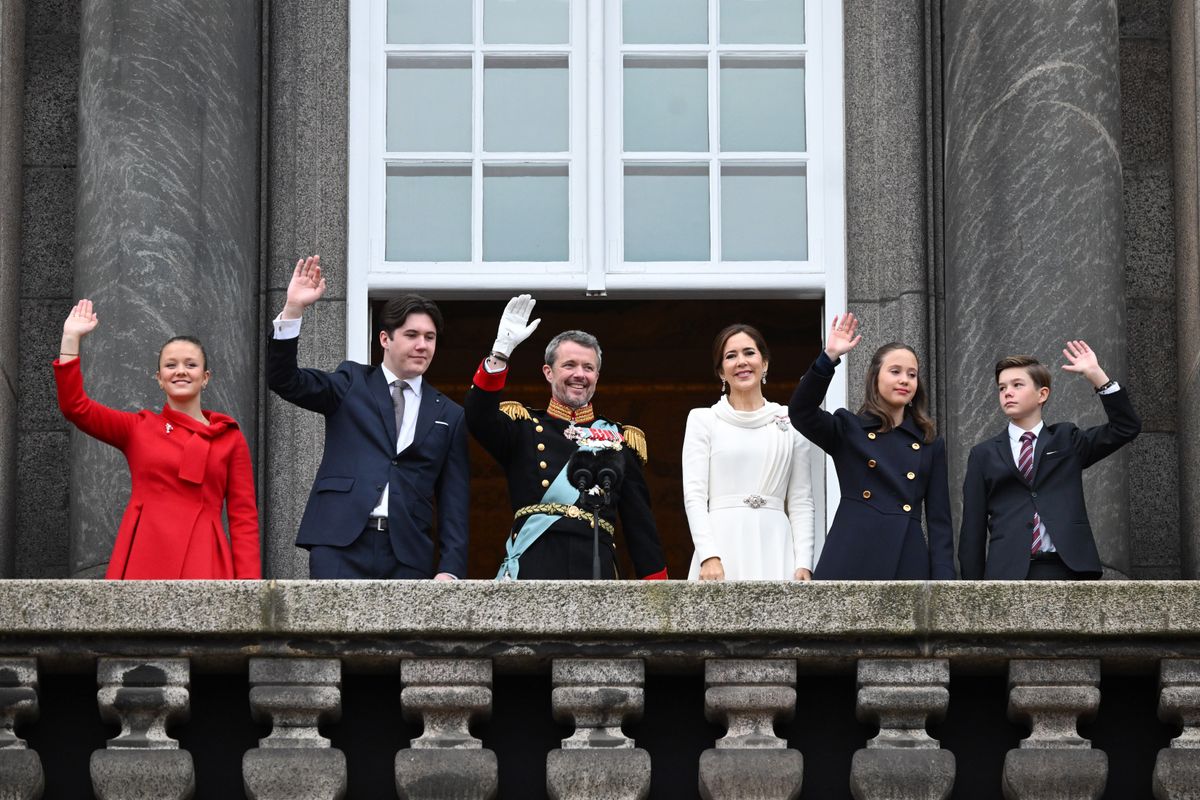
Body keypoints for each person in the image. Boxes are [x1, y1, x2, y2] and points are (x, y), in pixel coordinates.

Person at [266, 255, 469, 579]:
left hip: (407, 551)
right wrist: (293, 310)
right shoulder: (351, 383)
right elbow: (284, 380)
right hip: (339, 544)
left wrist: (450, 568)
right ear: (385, 339)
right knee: (330, 632)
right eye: (412, 335)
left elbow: (453, 500)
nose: (422, 345)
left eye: (429, 338)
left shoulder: (450, 413)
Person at [53, 299, 261, 579]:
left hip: (205, 556)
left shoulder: (229, 438)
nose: (181, 371)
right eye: (170, 365)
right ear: (160, 378)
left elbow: (243, 519)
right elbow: (76, 407)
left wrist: (248, 589)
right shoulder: (139, 428)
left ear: (205, 377)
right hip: (145, 552)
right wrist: (70, 340)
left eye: (191, 364)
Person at [464, 294, 668, 580]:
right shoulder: (522, 426)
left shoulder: (620, 440)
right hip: (535, 565)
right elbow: (477, 417)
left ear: (597, 376)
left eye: (588, 368)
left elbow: (640, 525)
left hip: (595, 569)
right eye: (569, 365)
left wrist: (658, 595)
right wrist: (500, 352)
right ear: (548, 372)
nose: (579, 374)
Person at [788, 312, 955, 579]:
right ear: (875, 377)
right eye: (895, 371)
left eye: (912, 374)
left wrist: (945, 583)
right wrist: (828, 358)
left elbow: (939, 522)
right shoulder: (848, 429)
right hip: (851, 551)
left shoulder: (929, 443)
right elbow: (801, 412)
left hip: (907, 558)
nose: (904, 380)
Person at [958, 343, 1141, 580]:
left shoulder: (1066, 439)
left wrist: (1097, 376)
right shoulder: (983, 454)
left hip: (1068, 567)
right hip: (1006, 571)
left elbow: (1126, 428)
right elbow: (973, 525)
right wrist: (972, 590)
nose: (1007, 392)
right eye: (1002, 387)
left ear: (1042, 394)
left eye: (1017, 385)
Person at [683, 324, 816, 581]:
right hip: (722, 544)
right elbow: (695, 496)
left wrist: (804, 562)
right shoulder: (704, 420)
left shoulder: (790, 421)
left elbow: (801, 500)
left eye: (749, 353)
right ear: (721, 371)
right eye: (731, 356)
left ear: (764, 363)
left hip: (776, 544)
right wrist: (708, 555)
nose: (741, 362)